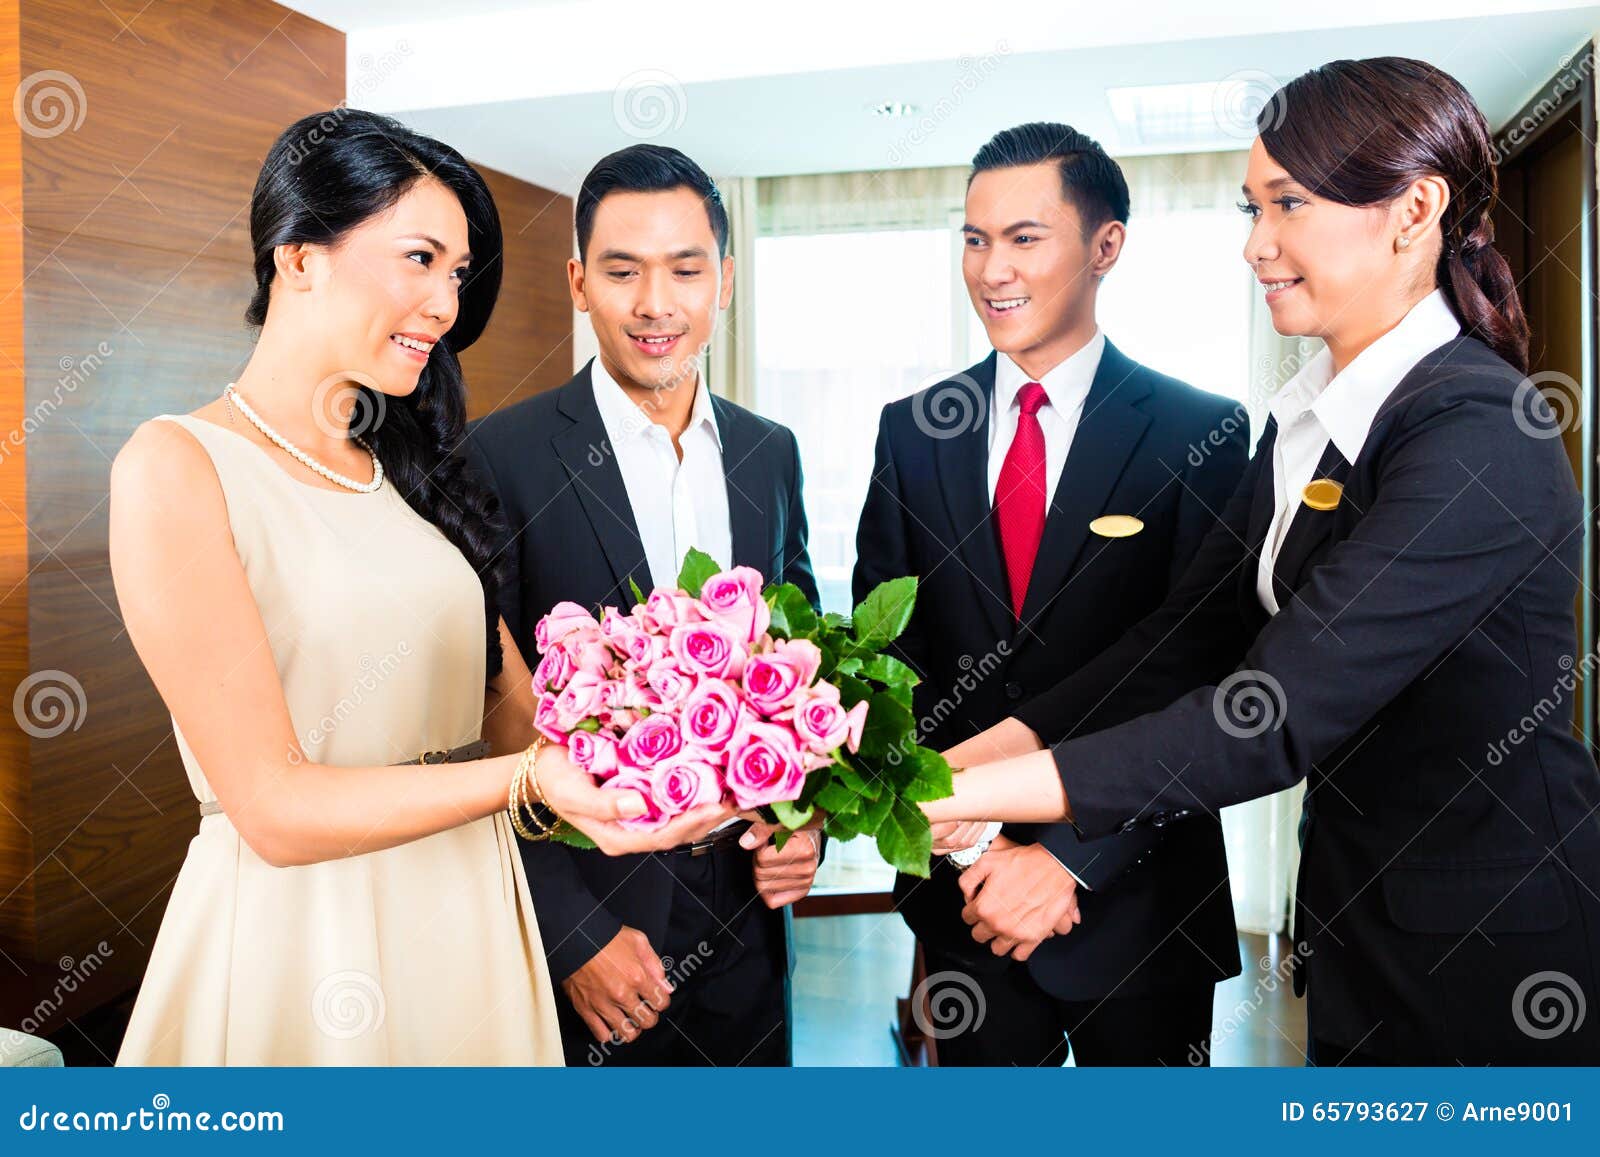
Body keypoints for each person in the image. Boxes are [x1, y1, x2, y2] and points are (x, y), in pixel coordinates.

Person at [921, 58, 1600, 1065]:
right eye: (1251, 207)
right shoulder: (1311, 421)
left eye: (1286, 205)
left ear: (1413, 208)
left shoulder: (1476, 434)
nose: (1255, 245)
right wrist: (983, 748)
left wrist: (965, 799)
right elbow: (1187, 640)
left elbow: (1269, 714)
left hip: (1488, 942)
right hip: (1363, 910)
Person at [110, 111, 729, 1066]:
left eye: (457, 272)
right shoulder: (178, 465)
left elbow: (519, 717)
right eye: (421, 257)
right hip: (311, 933)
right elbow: (271, 807)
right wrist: (528, 780)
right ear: (299, 254)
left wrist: (681, 752)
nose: (445, 303)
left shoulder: (411, 469)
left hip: (474, 913)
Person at [854, 123, 1248, 1066]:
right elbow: (883, 666)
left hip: (1141, 894)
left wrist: (1071, 858)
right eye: (974, 238)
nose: (993, 268)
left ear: (1105, 246)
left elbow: (1196, 664)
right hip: (967, 906)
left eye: (1025, 237)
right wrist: (976, 852)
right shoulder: (914, 434)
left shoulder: (1205, 430)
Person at [460, 144, 822, 1067]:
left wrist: (801, 816)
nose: (655, 302)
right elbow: (473, 724)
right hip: (594, 923)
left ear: (725, 280)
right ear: (581, 281)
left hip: (747, 918)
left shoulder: (767, 451)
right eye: (623, 270)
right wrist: (570, 932)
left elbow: (797, 663)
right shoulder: (500, 456)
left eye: (685, 269)